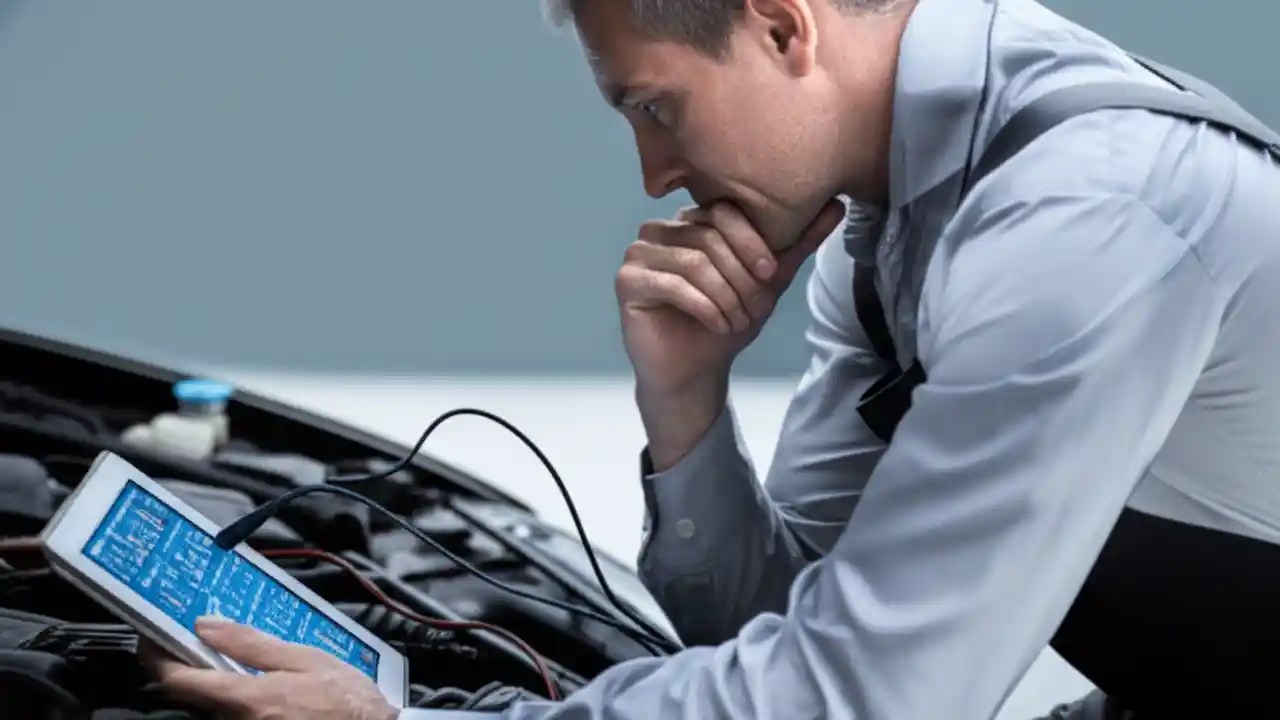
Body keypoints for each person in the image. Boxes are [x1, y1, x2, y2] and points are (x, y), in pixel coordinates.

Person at [146, 0, 1280, 717]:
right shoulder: (896, 215)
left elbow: (866, 696)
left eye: (654, 107)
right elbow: (777, 629)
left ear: (781, 27)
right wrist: (684, 404)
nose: (650, 175)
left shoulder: (1080, 221)